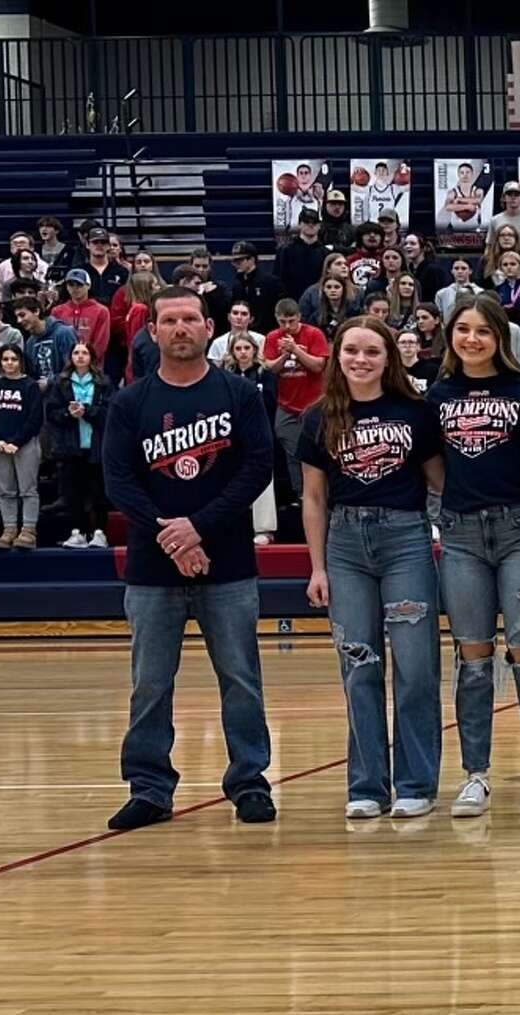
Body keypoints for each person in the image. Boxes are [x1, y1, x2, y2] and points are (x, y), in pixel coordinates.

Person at [100, 285, 276, 829]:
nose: (180, 328)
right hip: (154, 570)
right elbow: (119, 481)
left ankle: (249, 781)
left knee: (241, 678)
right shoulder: (131, 402)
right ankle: (149, 788)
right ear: (152, 331)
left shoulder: (239, 394)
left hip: (227, 564)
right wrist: (172, 537)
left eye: (190, 319)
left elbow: (256, 470)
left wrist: (196, 528)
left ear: (208, 327)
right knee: (151, 682)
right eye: (169, 320)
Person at [299, 315, 446, 820]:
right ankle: (366, 785)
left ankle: (416, 782)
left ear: (390, 358)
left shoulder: (416, 413)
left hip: (404, 537)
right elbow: (314, 498)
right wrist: (317, 568)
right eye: (351, 350)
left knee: (414, 667)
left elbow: (438, 484)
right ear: (337, 356)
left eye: (372, 352)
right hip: (344, 543)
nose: (361, 360)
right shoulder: (319, 416)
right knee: (358, 665)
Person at [423, 294, 520, 817]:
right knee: (472, 655)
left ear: (499, 337)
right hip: (460, 534)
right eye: (463, 330)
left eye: (483, 330)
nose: (472, 339)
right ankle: (474, 775)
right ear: (451, 337)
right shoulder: (437, 395)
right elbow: (433, 463)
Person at [44, 342, 113, 548]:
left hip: (96, 446)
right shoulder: (60, 383)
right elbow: (51, 413)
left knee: (98, 492)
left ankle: (99, 532)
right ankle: (78, 532)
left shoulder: (103, 382)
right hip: (70, 446)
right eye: (76, 353)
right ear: (70, 357)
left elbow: (111, 412)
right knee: (73, 493)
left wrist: (88, 411)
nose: (80, 356)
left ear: (91, 357)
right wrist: (68, 414)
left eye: (84, 353)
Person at [263, 299, 329, 507]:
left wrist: (296, 350)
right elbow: (271, 367)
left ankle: (324, 494)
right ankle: (301, 495)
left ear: (299, 317)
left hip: (313, 404)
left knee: (318, 452)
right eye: (283, 322)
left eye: (291, 321)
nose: (287, 327)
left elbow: (319, 365)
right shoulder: (273, 337)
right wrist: (284, 355)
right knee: (293, 452)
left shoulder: (313, 334)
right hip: (286, 405)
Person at [219, 335, 280, 543]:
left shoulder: (266, 374)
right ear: (232, 352)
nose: (243, 352)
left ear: (254, 350)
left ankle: (264, 529)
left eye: (247, 347)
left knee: (263, 478)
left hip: (260, 432)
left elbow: (272, 404)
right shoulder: (224, 376)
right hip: (231, 436)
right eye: (238, 348)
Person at [0, 345, 43, 550]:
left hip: (24, 445)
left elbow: (35, 418)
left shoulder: (30, 386)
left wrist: (16, 442)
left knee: (28, 489)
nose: (9, 363)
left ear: (20, 361)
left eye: (14, 359)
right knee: (5, 490)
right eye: (5, 359)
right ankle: (9, 529)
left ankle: (28, 530)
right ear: (0, 362)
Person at [53, 269, 115, 382]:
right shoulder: (57, 311)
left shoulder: (101, 311)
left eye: (79, 285)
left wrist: (88, 361)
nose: (75, 288)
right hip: (64, 370)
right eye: (71, 284)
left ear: (88, 286)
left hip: (92, 369)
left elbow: (101, 343)